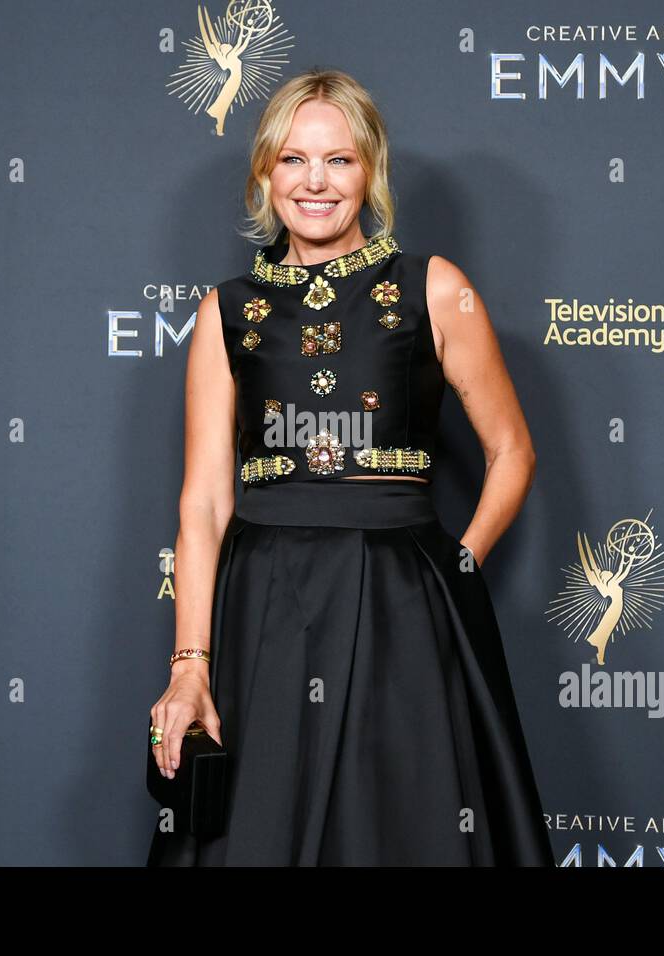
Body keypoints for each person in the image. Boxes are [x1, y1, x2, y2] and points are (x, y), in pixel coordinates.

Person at [146, 68, 555, 865]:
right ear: (266, 172)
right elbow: (202, 504)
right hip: (265, 606)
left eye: (339, 160)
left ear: (371, 170)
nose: (316, 182)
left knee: (406, 828)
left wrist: (455, 571)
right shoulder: (225, 313)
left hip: (403, 601)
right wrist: (189, 667)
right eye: (294, 160)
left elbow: (513, 452)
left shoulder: (435, 290)